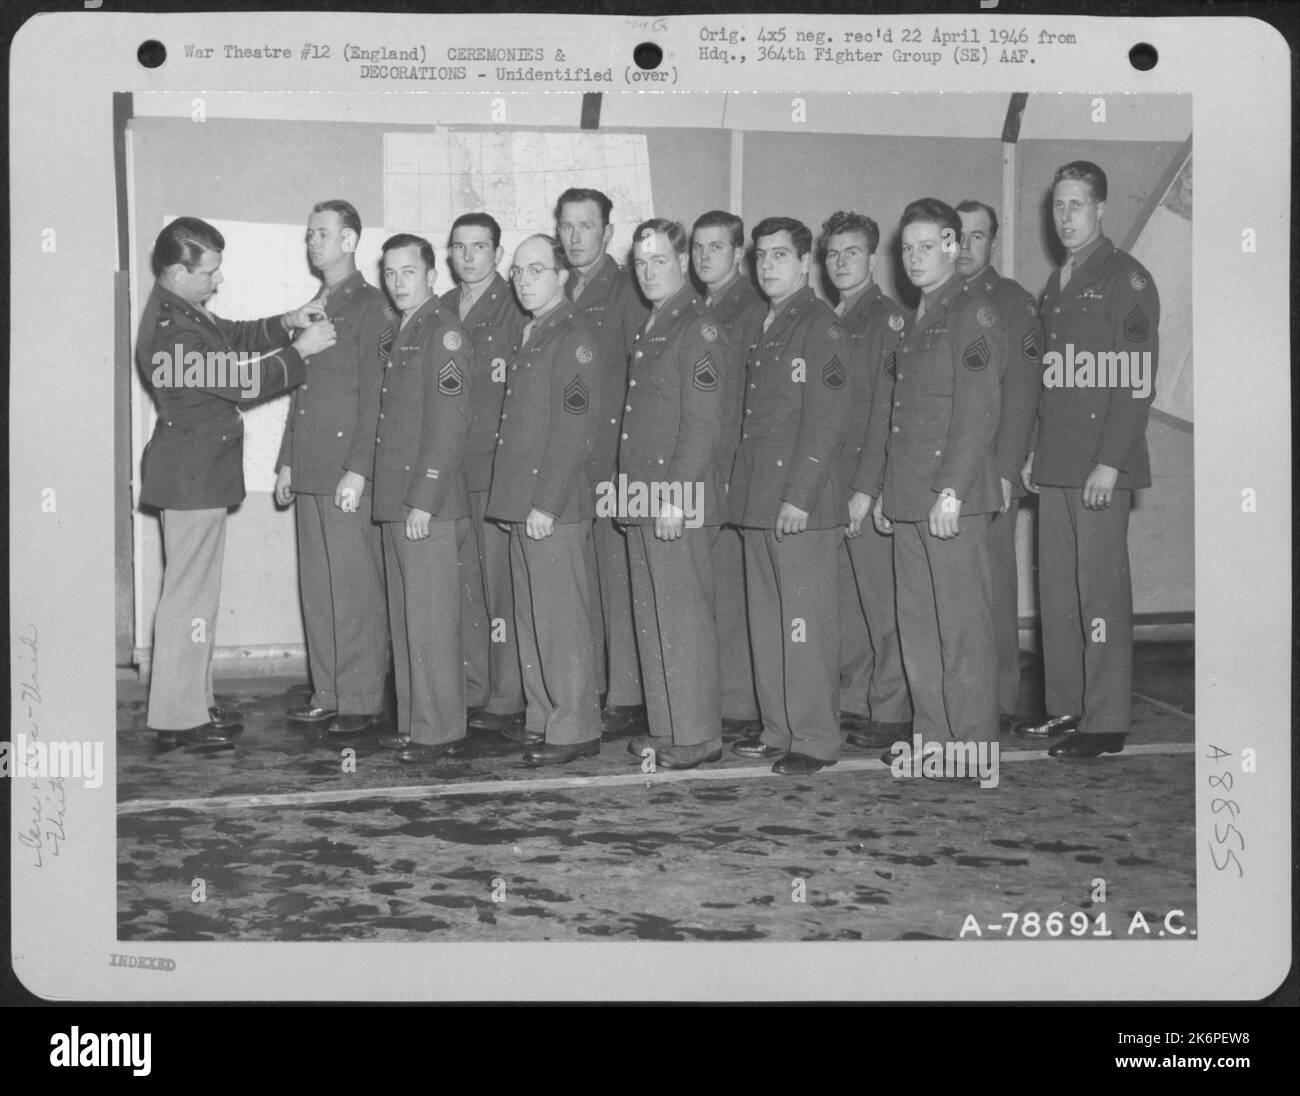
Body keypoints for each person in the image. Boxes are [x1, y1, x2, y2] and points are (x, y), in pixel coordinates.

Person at [138, 216, 335, 746]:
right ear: (179, 271)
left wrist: (289, 321)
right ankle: (179, 721)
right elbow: (241, 381)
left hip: (196, 473)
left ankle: (193, 699)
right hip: (191, 476)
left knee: (196, 597)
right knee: (187, 600)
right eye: (210, 273)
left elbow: (234, 337)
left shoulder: (183, 311)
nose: (216, 282)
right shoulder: (169, 331)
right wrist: (301, 352)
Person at [1016, 161, 1159, 760]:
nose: (1066, 217)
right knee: (1059, 593)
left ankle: (1105, 720)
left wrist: (1111, 462)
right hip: (1056, 462)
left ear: (1101, 209)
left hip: (1100, 464)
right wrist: (1031, 451)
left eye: (1077, 205)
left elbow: (1135, 380)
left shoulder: (1125, 278)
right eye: (1058, 206)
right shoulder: (1060, 281)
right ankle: (1069, 706)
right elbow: (1050, 379)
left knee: (1098, 593)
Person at [856, 198, 1004, 760]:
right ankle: (934, 740)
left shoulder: (973, 312)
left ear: (952, 245)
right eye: (907, 249)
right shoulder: (918, 315)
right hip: (912, 494)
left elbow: (978, 409)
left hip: (950, 497)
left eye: (928, 246)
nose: (915, 258)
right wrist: (891, 492)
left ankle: (971, 746)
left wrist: (952, 490)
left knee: (961, 628)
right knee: (919, 626)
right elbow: (902, 412)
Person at [728, 217, 851, 775]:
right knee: (772, 621)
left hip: (799, 502)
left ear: (806, 263)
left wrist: (800, 497)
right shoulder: (771, 321)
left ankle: (816, 738)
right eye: (760, 256)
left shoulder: (819, 326)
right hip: (762, 496)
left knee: (805, 625)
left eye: (780, 255)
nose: (768, 265)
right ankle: (779, 728)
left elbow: (826, 422)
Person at [487, 235, 604, 766]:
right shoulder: (534, 332)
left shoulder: (573, 337)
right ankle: (543, 716)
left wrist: (547, 503)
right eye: (517, 271)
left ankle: (576, 725)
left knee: (560, 621)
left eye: (536, 269)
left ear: (562, 275)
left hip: (551, 505)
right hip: (525, 501)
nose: (524, 280)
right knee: (533, 618)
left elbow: (575, 430)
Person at [275, 200, 390, 737]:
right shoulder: (315, 304)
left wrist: (359, 469)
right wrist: (286, 462)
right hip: (311, 467)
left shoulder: (371, 306)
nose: (311, 242)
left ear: (349, 240)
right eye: (309, 232)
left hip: (347, 469)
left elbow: (376, 398)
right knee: (318, 588)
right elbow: (303, 393)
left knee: (354, 587)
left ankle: (362, 698)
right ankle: (329, 692)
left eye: (322, 233)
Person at [621, 219, 729, 769]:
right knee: (655, 615)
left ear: (682, 261)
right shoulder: (658, 322)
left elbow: (703, 425)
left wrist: (675, 498)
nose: (648, 272)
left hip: (673, 498)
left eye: (659, 261)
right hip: (644, 493)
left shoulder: (698, 328)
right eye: (640, 263)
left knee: (682, 616)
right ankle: (669, 728)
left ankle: (697, 735)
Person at [372, 233, 475, 764]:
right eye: (389, 273)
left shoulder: (444, 333)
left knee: (431, 619)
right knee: (408, 616)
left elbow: (449, 425)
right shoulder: (406, 329)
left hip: (425, 502)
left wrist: (424, 500)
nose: (397, 282)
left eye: (408, 272)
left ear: (433, 276)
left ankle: (440, 731)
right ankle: (417, 721)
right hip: (398, 497)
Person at [555, 187, 650, 739]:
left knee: (618, 577)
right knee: (583, 579)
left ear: (608, 232)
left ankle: (628, 693)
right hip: (574, 458)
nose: (574, 237)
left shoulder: (627, 292)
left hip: (615, 457)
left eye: (585, 226)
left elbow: (644, 380)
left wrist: (628, 462)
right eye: (566, 226)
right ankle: (590, 686)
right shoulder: (558, 287)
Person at [955, 199, 1044, 733]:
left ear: (992, 242)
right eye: (956, 236)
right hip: (946, 472)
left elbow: (1023, 392)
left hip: (990, 472)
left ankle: (1000, 699)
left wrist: (1008, 470)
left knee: (992, 584)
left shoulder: (1012, 302)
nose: (964, 247)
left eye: (977, 236)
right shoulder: (936, 301)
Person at [826, 210, 913, 751]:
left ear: (873, 258)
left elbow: (887, 411)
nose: (840, 262)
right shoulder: (832, 317)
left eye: (851, 253)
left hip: (865, 481)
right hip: (832, 482)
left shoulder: (888, 321)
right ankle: (856, 699)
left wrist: (868, 487)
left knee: (883, 605)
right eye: (833, 254)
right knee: (850, 607)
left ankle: (893, 710)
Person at [440, 212, 530, 736]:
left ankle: (506, 694)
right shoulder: (445, 308)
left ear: (497, 253)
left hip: (496, 468)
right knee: (467, 586)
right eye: (459, 247)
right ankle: (475, 687)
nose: (468, 256)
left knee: (500, 588)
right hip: (453, 468)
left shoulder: (516, 308)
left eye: (479, 247)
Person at [689, 210, 766, 740]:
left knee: (734, 593)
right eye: (697, 247)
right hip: (708, 468)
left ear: (738, 252)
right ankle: (719, 700)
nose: (704, 257)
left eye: (716, 247)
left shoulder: (751, 309)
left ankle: (737, 706)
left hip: (734, 466)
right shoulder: (700, 307)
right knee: (711, 590)